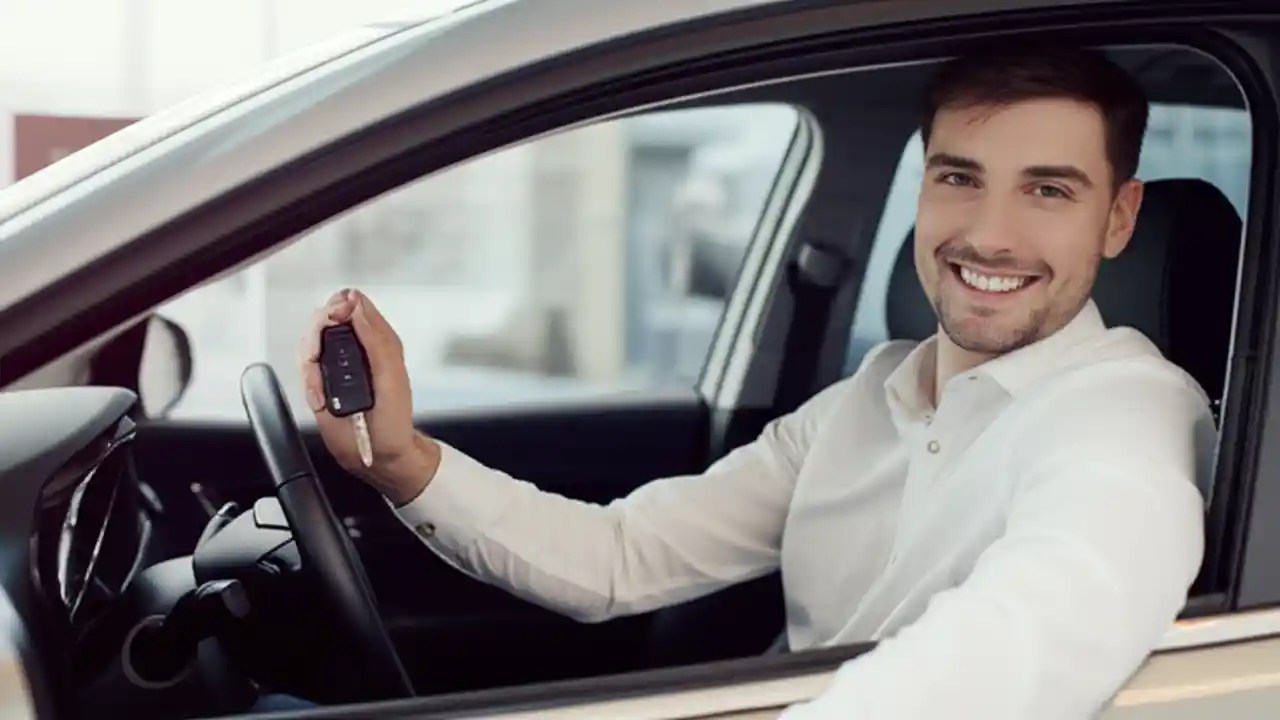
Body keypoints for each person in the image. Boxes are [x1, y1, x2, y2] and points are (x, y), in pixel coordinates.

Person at [298, 44, 1213, 718]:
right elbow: (622, 556)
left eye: (1048, 191)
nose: (991, 235)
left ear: (1120, 218)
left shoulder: (1124, 416)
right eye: (960, 178)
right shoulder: (871, 394)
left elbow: (1026, 638)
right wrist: (400, 461)